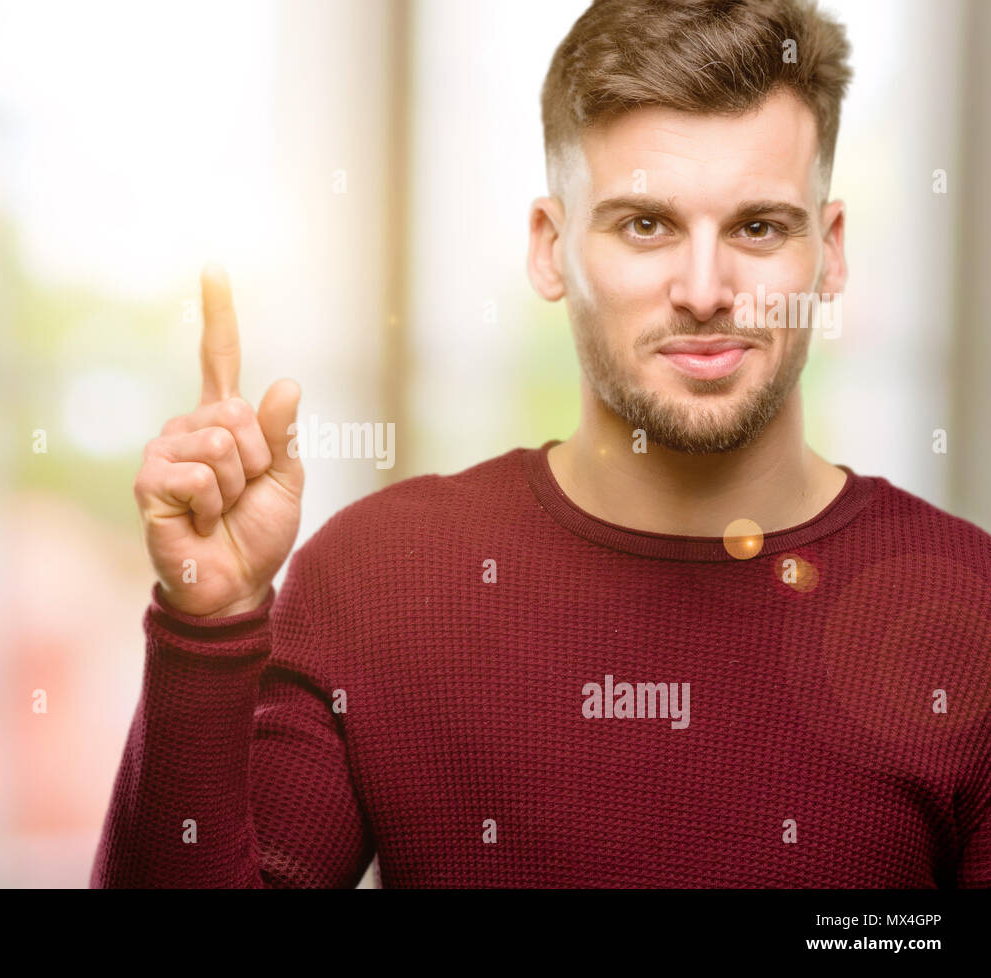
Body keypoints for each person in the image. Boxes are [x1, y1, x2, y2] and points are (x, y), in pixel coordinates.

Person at [92, 0, 991, 888]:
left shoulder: (975, 620)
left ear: (828, 254)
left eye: (759, 227)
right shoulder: (377, 580)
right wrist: (205, 628)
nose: (707, 289)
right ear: (549, 249)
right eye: (647, 224)